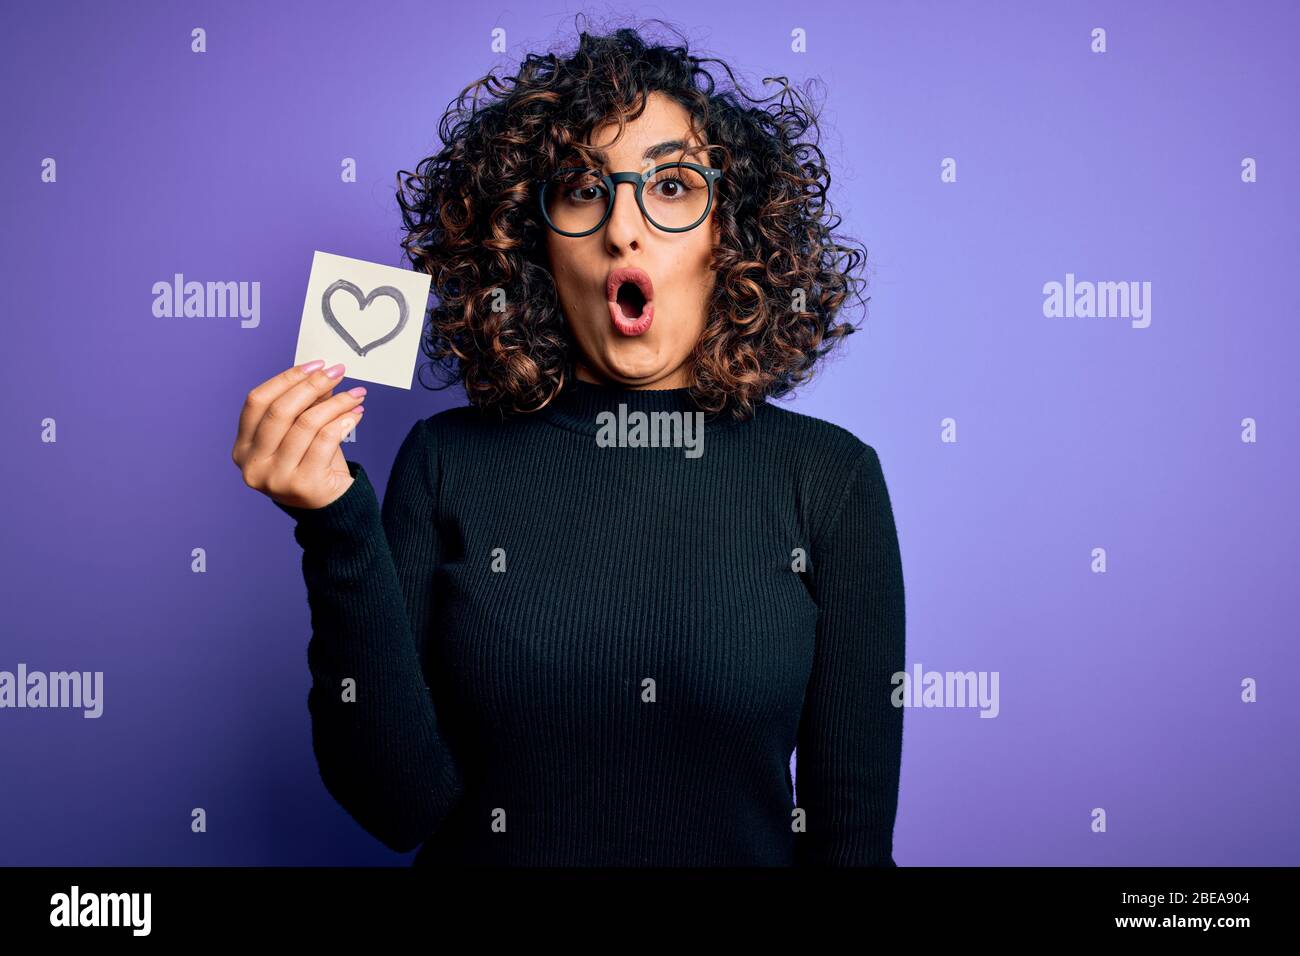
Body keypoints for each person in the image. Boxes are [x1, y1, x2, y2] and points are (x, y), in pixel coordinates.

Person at [231, 20, 905, 866]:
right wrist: (334, 525)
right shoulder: (446, 463)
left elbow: (851, 845)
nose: (624, 229)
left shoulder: (831, 480)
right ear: (536, 247)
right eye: (584, 189)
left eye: (670, 186)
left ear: (727, 238)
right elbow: (398, 804)